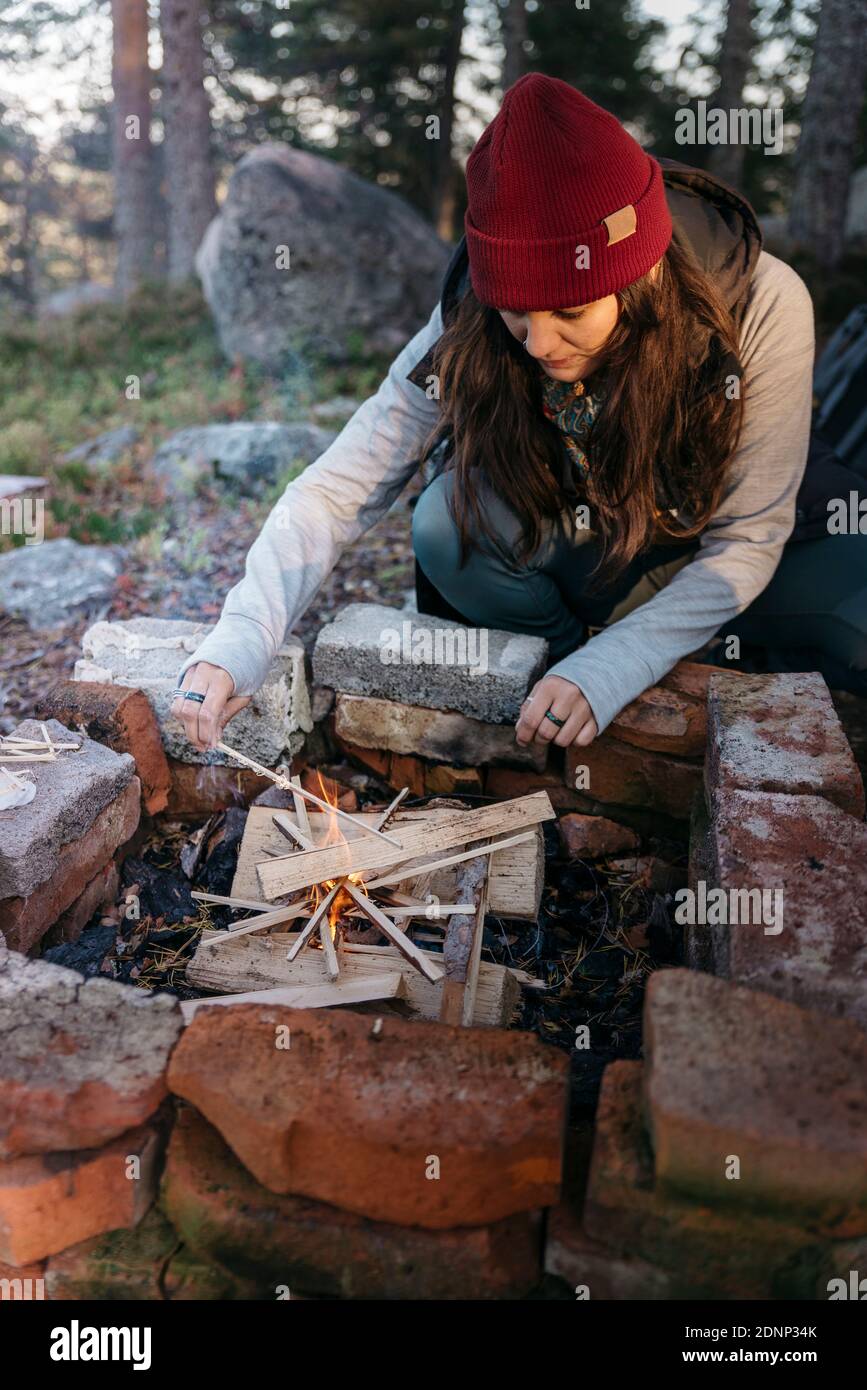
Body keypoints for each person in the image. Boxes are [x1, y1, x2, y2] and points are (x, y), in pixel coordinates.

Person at [171, 73, 867, 755]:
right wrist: (240, 639)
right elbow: (336, 489)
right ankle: (563, 693)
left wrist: (620, 664)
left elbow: (748, 540)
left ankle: (704, 665)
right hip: (593, 555)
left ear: (641, 272)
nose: (538, 344)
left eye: (569, 311)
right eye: (515, 311)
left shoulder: (764, 302)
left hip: (741, 550)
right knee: (449, 522)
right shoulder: (470, 319)